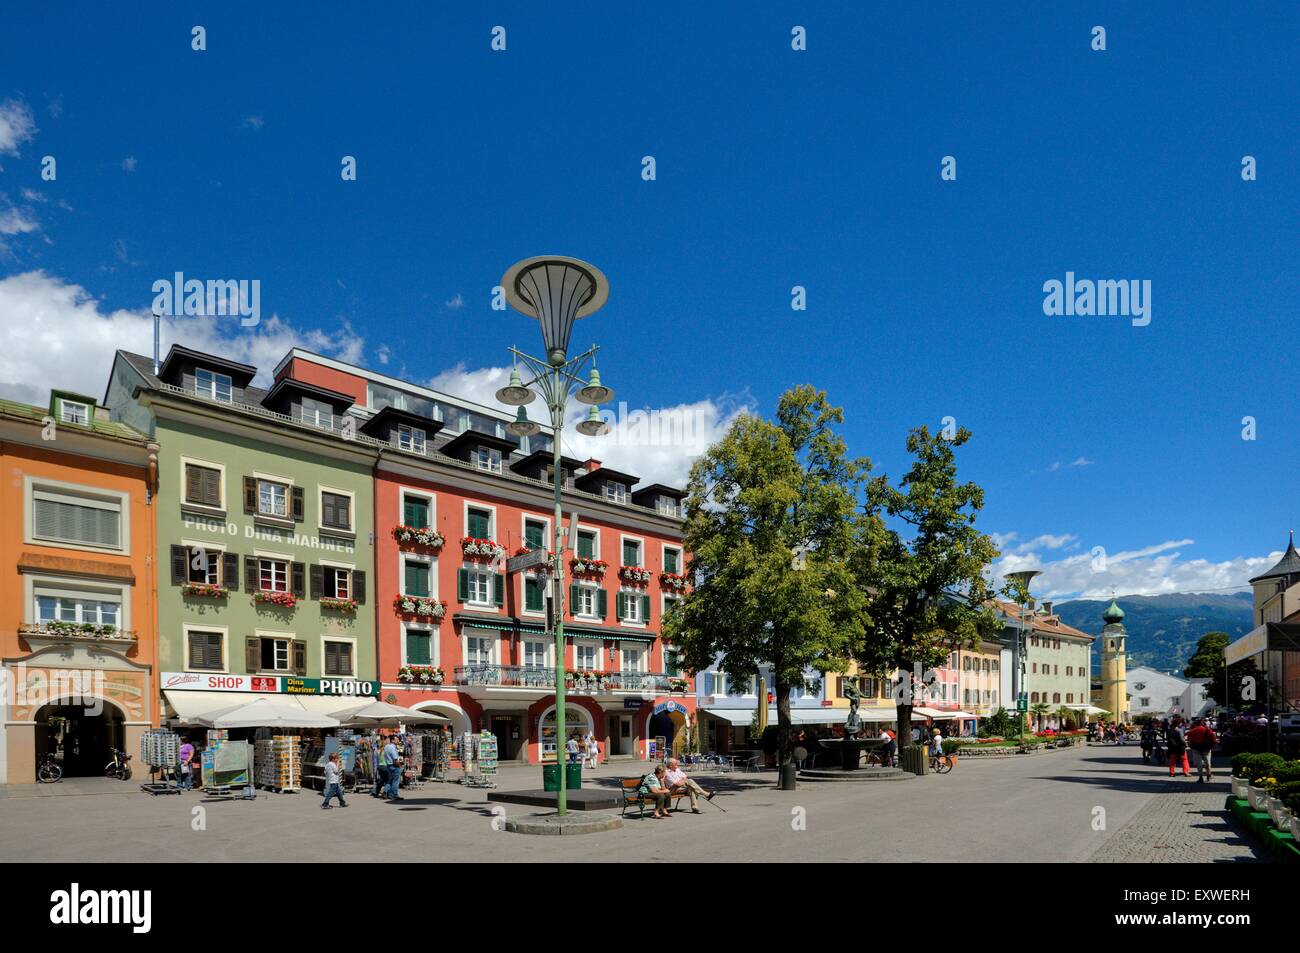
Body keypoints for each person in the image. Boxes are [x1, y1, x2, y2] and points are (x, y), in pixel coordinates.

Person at [1186, 717, 1218, 783]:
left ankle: (1200, 777)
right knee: (1207, 762)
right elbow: (1213, 737)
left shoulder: (1191, 731)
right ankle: (1208, 775)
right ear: (1202, 723)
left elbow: (1189, 741)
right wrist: (1214, 744)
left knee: (1199, 763)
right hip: (1206, 748)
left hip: (1196, 748)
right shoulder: (1207, 729)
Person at [382, 735, 403, 801]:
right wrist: (399, 765)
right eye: (396, 739)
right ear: (392, 740)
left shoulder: (386, 746)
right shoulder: (392, 748)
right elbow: (395, 759)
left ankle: (385, 791)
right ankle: (395, 795)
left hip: (388, 765)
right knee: (395, 781)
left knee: (390, 780)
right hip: (394, 765)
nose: (398, 741)